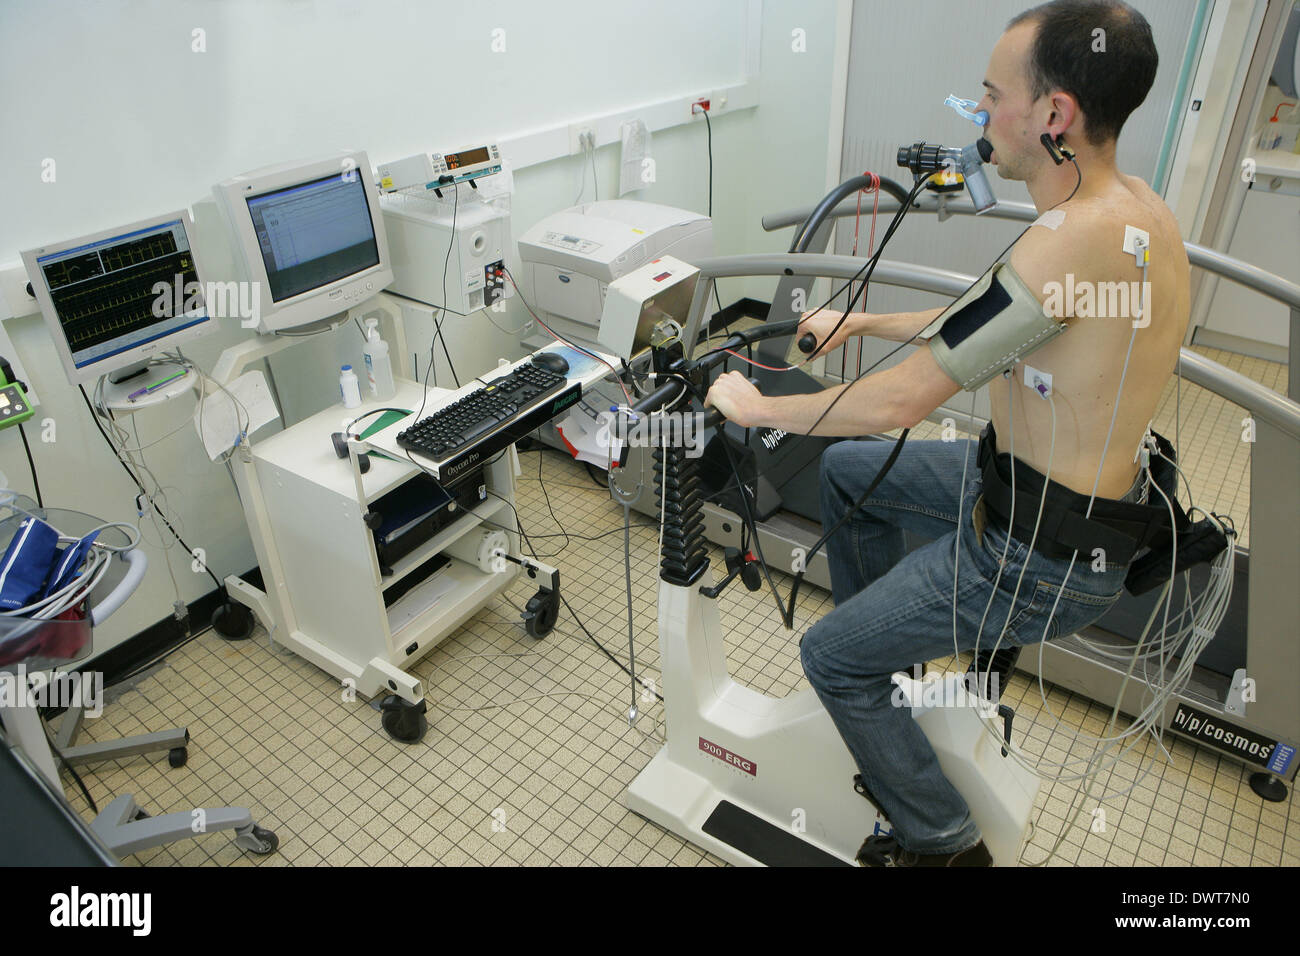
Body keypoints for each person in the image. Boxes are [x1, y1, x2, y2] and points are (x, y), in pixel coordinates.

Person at [703, 0, 1188, 866]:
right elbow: (996, 322)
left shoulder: (1071, 238)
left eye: (990, 95)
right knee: (852, 475)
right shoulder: (1133, 211)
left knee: (829, 654)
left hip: (1041, 552)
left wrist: (758, 409)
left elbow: (898, 406)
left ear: (1053, 115)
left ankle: (940, 838)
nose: (977, 115)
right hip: (1039, 493)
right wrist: (862, 325)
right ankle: (891, 681)